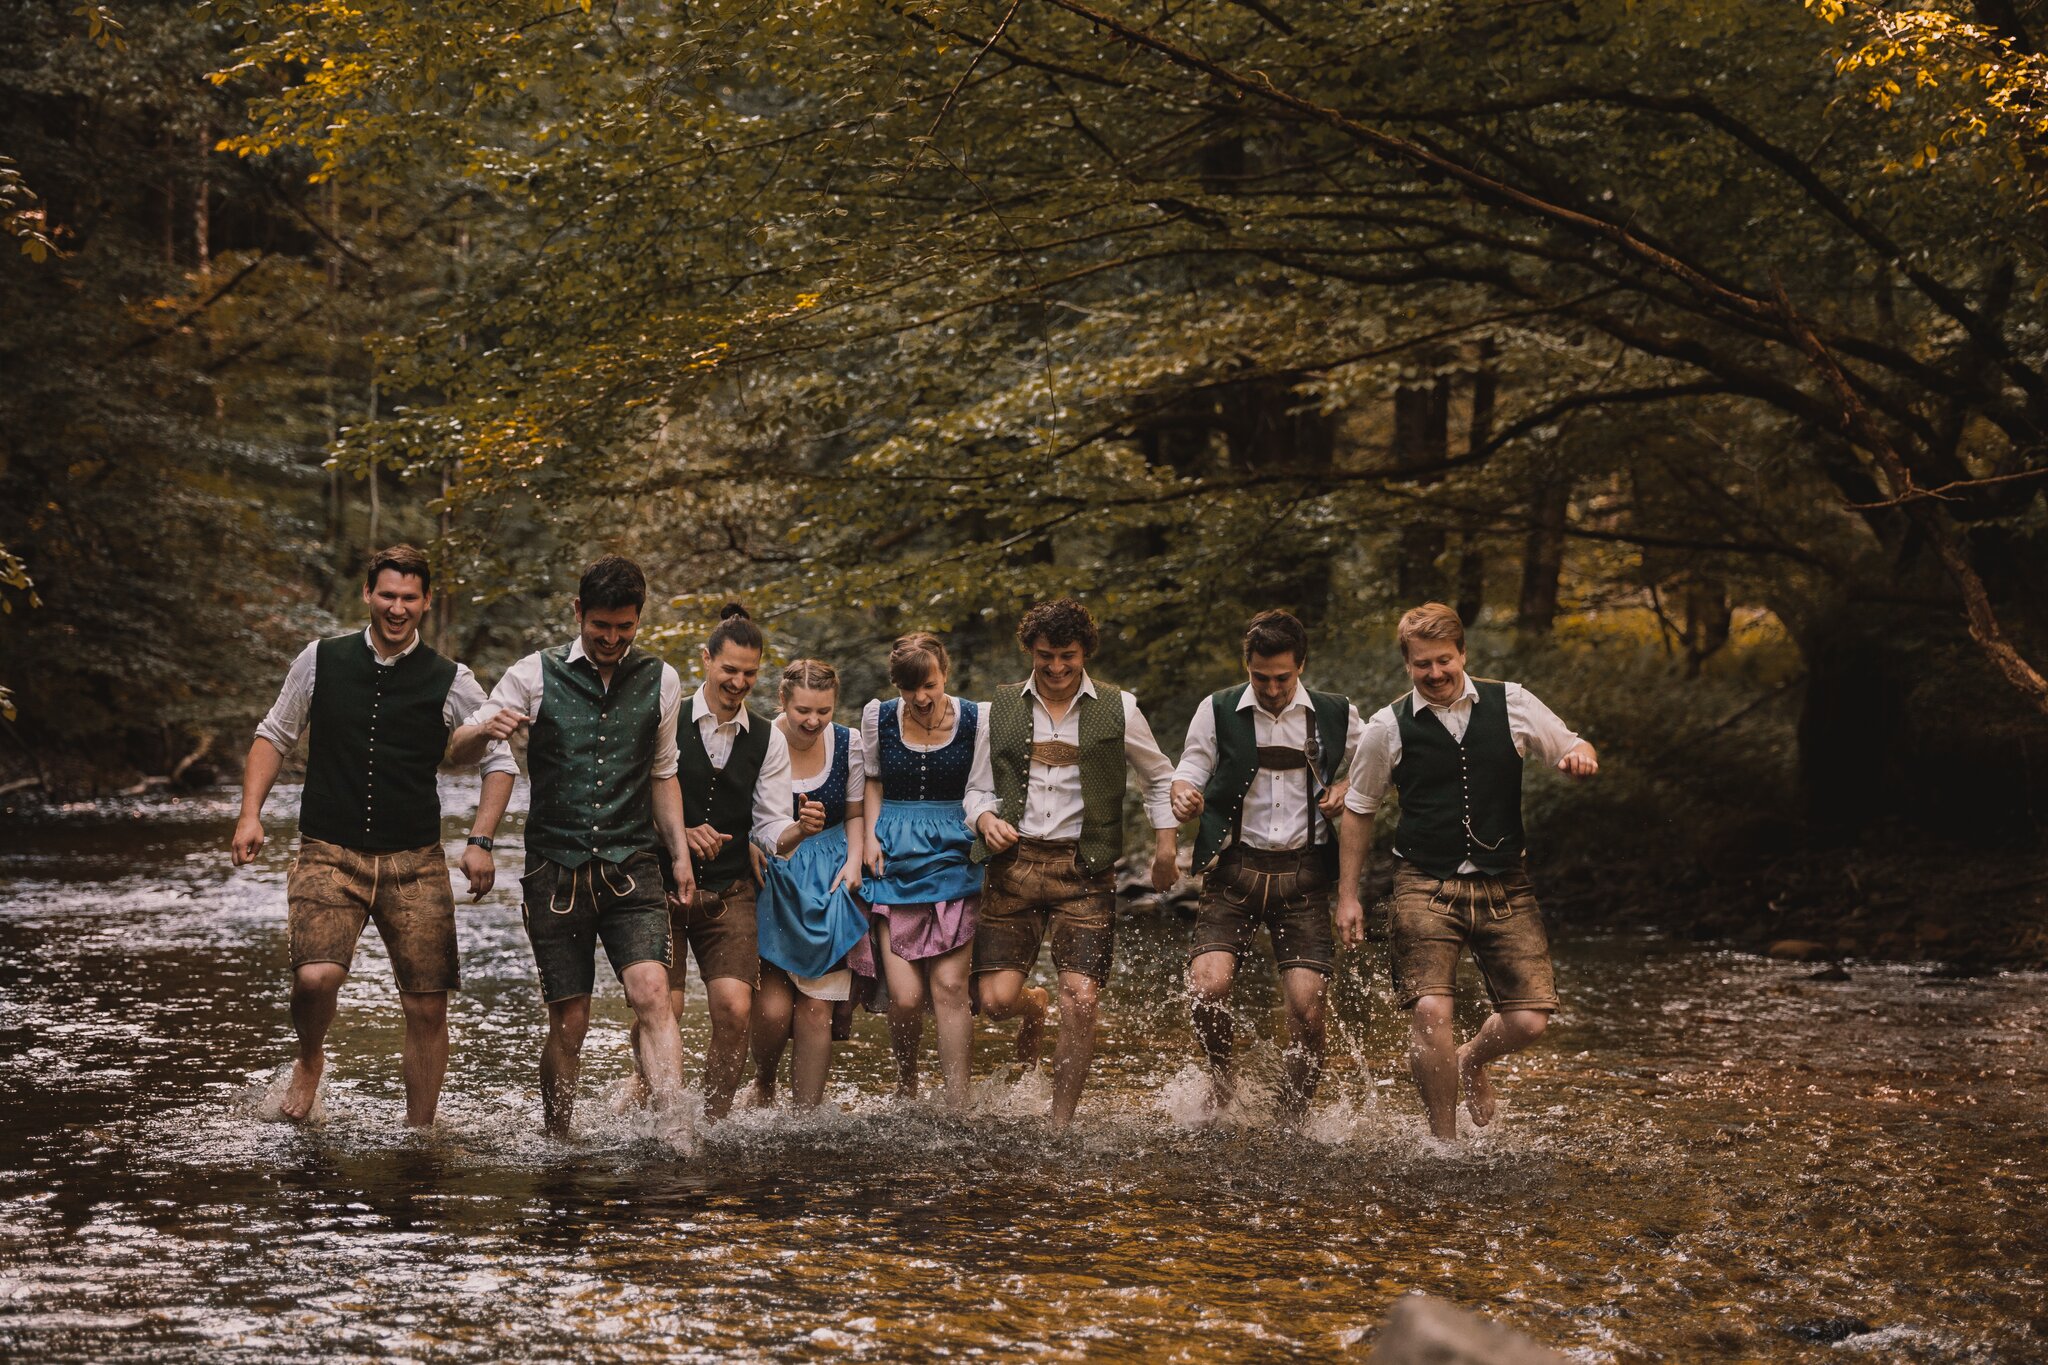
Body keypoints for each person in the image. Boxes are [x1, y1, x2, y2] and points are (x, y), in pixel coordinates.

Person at [232, 544, 516, 1126]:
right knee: (316, 977)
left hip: (415, 860)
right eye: (386, 594)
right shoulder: (320, 660)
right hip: (328, 851)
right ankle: (310, 1058)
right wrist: (249, 813)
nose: (396, 607)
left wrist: (481, 839)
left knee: (426, 1002)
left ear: (426, 603)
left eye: (409, 598)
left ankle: (420, 1131)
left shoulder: (452, 678)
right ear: (367, 594)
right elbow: (273, 736)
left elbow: (499, 760)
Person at [448, 555, 693, 1146]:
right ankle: (559, 1139)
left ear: (639, 621)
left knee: (652, 993)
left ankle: (678, 1133)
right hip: (554, 872)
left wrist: (680, 855)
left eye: (625, 627)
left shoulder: (662, 680)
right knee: (571, 1022)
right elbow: (456, 748)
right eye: (601, 626)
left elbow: (663, 775)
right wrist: (485, 729)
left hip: (633, 864)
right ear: (578, 612)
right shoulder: (531, 675)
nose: (612, 639)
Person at [1333, 602, 1598, 1140]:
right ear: (1407, 663)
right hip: (1423, 881)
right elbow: (1360, 808)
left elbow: (1572, 743)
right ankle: (1443, 1143)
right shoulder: (1387, 727)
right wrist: (1348, 896)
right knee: (1430, 1010)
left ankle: (1472, 1061)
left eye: (1443, 661)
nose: (1434, 674)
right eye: (1421, 664)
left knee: (1529, 1019)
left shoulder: (1514, 703)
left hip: (1505, 881)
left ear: (1463, 654)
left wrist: (1579, 758)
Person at [964, 598, 1179, 1129]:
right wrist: (984, 820)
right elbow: (976, 789)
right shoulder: (998, 710)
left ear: (1085, 653)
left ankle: (1060, 1123)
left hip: (1086, 868)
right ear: (1029, 653)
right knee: (994, 1002)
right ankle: (1032, 1005)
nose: (1057, 669)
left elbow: (1159, 777)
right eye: (1045, 657)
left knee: (1082, 998)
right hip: (1012, 865)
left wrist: (1167, 846)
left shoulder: (1119, 707)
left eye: (1068, 656)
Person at [1169, 609, 1363, 1123]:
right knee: (1206, 990)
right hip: (1232, 871)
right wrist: (1184, 790)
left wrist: (1345, 787)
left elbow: (1373, 768)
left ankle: (1292, 1115)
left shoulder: (1336, 712)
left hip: (1304, 877)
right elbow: (1192, 764)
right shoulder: (1217, 709)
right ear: (1247, 665)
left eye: (1283, 677)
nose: (1273, 688)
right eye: (1261, 676)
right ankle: (1222, 1076)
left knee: (1307, 1007)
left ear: (1301, 664)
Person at [662, 604, 801, 1122]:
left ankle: (714, 1123)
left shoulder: (769, 739)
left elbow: (768, 826)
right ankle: (661, 1110)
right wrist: (676, 831)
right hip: (659, 883)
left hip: (730, 888)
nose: (739, 681)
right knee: (665, 1009)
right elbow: (633, 798)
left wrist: (797, 832)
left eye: (749, 673)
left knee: (735, 1008)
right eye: (729, 670)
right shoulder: (664, 720)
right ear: (706, 660)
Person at [850, 633, 986, 1108]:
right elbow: (871, 781)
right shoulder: (878, 717)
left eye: (929, 685)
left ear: (944, 673)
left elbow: (984, 789)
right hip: (893, 855)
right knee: (905, 998)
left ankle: (958, 1100)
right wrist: (868, 837)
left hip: (955, 851)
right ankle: (907, 1085)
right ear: (897, 686)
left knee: (950, 987)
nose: (922, 698)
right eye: (910, 690)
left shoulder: (976, 718)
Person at [748, 659, 870, 1109]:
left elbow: (857, 813)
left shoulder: (849, 743)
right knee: (774, 1010)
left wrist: (854, 863)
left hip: (830, 880)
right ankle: (763, 1083)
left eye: (824, 710)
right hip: (771, 878)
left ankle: (806, 1119)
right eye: (803, 710)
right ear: (782, 700)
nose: (814, 721)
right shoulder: (759, 740)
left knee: (817, 1008)